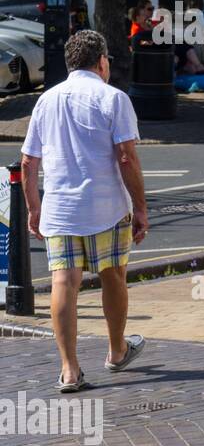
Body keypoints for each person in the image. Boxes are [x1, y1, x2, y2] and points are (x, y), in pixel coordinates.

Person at [20, 31, 149, 392]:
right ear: (102, 62)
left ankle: (69, 370)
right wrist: (140, 208)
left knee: (64, 282)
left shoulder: (46, 100)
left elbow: (29, 162)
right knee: (113, 276)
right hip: (107, 205)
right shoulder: (113, 98)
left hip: (59, 209)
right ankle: (116, 350)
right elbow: (126, 156)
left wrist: (35, 210)